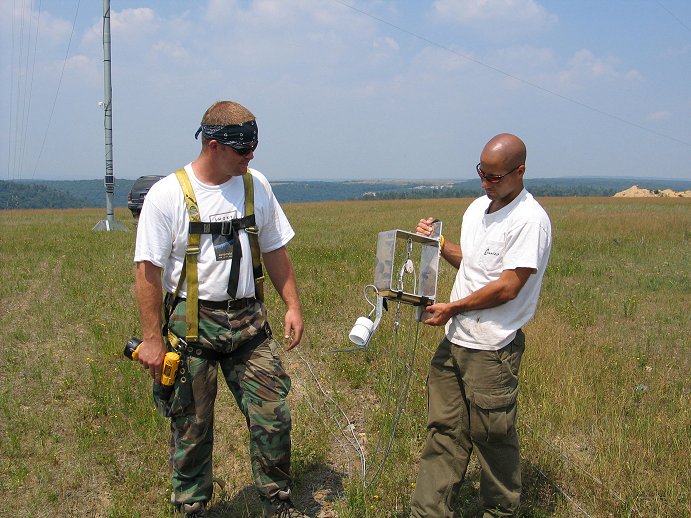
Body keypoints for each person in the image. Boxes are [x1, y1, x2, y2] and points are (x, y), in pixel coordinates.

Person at [134, 100, 307, 518]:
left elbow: (275, 248)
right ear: (213, 145)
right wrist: (153, 340)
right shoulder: (168, 195)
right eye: (243, 150)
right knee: (191, 429)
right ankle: (192, 507)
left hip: (249, 323)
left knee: (273, 417)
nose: (251, 157)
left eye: (254, 148)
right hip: (191, 328)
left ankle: (276, 501)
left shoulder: (255, 185)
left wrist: (292, 305)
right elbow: (147, 272)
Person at [410, 133, 552, 517]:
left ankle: (499, 511)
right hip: (455, 341)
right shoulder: (477, 208)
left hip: (492, 349)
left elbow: (508, 287)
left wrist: (452, 307)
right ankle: (429, 512)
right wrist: (440, 244)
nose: (486, 184)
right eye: (481, 174)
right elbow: (474, 264)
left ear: (520, 171)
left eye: (495, 177)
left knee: (493, 438)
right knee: (443, 431)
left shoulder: (529, 220)